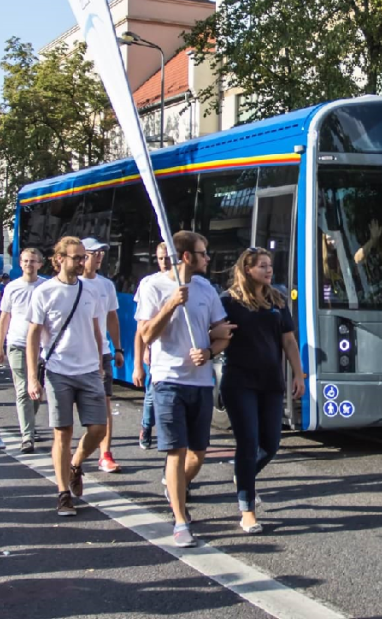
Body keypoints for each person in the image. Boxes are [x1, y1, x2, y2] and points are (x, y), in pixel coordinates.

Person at [136, 231, 234, 548]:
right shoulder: (152, 286)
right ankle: (181, 521)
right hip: (167, 381)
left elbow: (224, 333)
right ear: (187, 257)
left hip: (201, 381)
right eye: (203, 253)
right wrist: (171, 305)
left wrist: (208, 352)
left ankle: (174, 486)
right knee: (176, 453)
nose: (208, 258)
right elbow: (147, 335)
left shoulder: (206, 288)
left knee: (199, 454)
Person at [220, 247, 305, 534]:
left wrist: (299, 374)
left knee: (271, 444)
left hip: (271, 382)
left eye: (270, 266)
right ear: (247, 269)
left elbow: (289, 341)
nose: (269, 271)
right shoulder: (229, 301)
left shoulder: (277, 299)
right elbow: (217, 333)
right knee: (248, 441)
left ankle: (243, 475)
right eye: (262, 266)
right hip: (239, 381)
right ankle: (247, 510)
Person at [26, 236, 107, 517]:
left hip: (88, 370)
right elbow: (34, 335)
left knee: (99, 429)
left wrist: (100, 361)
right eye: (76, 257)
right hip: (58, 370)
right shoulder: (45, 292)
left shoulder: (91, 291)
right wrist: (32, 377)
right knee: (63, 433)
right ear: (59, 259)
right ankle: (63, 493)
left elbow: (97, 329)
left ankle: (76, 463)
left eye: (83, 257)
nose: (82, 262)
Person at [0, 247, 46, 453]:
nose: (28, 265)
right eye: (25, 261)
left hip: (41, 346)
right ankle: (27, 436)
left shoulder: (46, 287)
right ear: (20, 264)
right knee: (24, 389)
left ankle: (30, 426)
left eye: (33, 261)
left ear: (40, 264)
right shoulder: (12, 287)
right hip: (16, 343)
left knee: (37, 390)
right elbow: (4, 317)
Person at [79, 237, 124, 474]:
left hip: (102, 353)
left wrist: (117, 348)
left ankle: (105, 453)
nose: (98, 257)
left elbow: (112, 318)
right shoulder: (72, 283)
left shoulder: (106, 285)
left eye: (101, 253)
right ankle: (72, 453)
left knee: (105, 404)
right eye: (94, 253)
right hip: (75, 356)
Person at [133, 242, 171, 450]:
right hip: (155, 344)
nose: (164, 261)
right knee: (151, 392)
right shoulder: (149, 283)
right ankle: (146, 427)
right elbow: (142, 325)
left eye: (167, 257)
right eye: (160, 258)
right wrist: (144, 352)